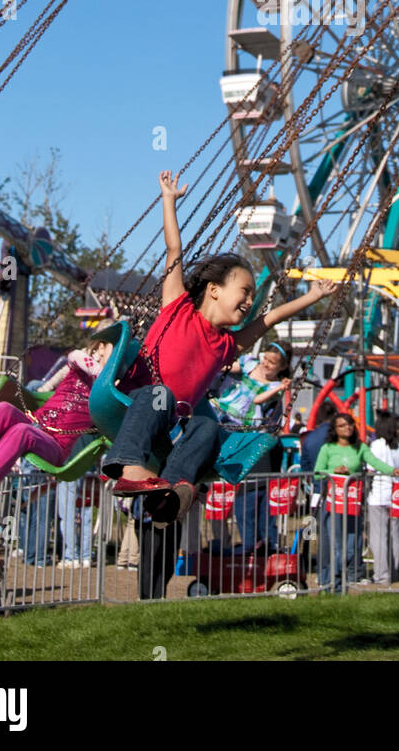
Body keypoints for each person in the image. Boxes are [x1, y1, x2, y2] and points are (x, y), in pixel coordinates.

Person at [102, 170, 337, 524]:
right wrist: (168, 200)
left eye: (252, 297)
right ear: (214, 289)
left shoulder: (226, 345)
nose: (248, 302)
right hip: (135, 404)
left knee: (208, 428)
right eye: (244, 292)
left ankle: (172, 491)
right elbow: (174, 249)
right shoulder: (177, 307)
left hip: (171, 424)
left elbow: (269, 320)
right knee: (160, 395)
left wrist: (314, 296)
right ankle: (127, 464)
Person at [0, 339, 113, 515]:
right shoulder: (81, 363)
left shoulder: (110, 389)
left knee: (23, 431)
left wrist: (109, 379)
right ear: (101, 348)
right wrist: (103, 373)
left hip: (55, 443)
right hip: (35, 421)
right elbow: (75, 355)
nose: (117, 359)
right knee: (3, 409)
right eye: (115, 350)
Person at [214, 341, 291, 553]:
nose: (266, 365)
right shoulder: (250, 364)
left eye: (272, 363)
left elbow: (258, 399)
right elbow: (230, 367)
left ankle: (261, 543)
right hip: (229, 402)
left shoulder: (273, 386)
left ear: (281, 367)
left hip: (245, 416)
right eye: (265, 359)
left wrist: (281, 388)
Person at [314, 413, 399, 589]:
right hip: (333, 503)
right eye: (341, 425)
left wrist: (392, 470)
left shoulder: (360, 447)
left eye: (349, 424)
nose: (347, 428)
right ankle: (335, 583)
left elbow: (375, 462)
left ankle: (345, 578)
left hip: (353, 503)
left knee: (352, 544)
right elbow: (317, 473)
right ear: (335, 429)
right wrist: (334, 470)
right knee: (336, 544)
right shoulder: (328, 448)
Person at [367, 412, 399, 585]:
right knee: (394, 534)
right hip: (396, 494)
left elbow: (370, 468)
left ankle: (381, 575)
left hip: (379, 494)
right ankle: (394, 570)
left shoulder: (376, 445)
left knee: (379, 537)